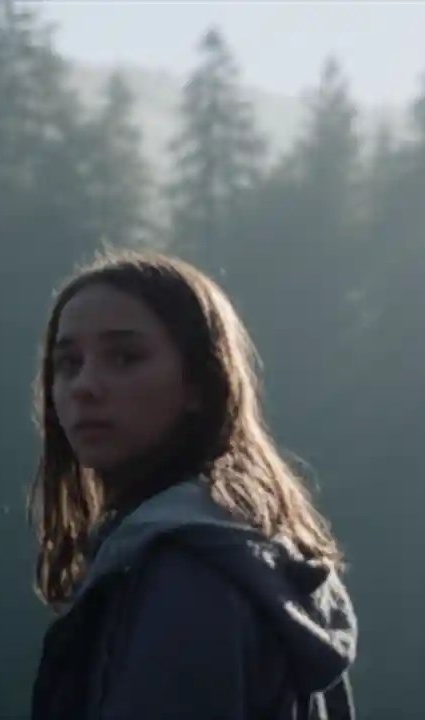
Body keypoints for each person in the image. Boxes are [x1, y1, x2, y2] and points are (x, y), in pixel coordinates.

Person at [28, 249, 358, 720]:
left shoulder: (185, 574)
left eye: (125, 357)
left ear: (200, 384)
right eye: (68, 363)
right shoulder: (247, 553)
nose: (84, 386)